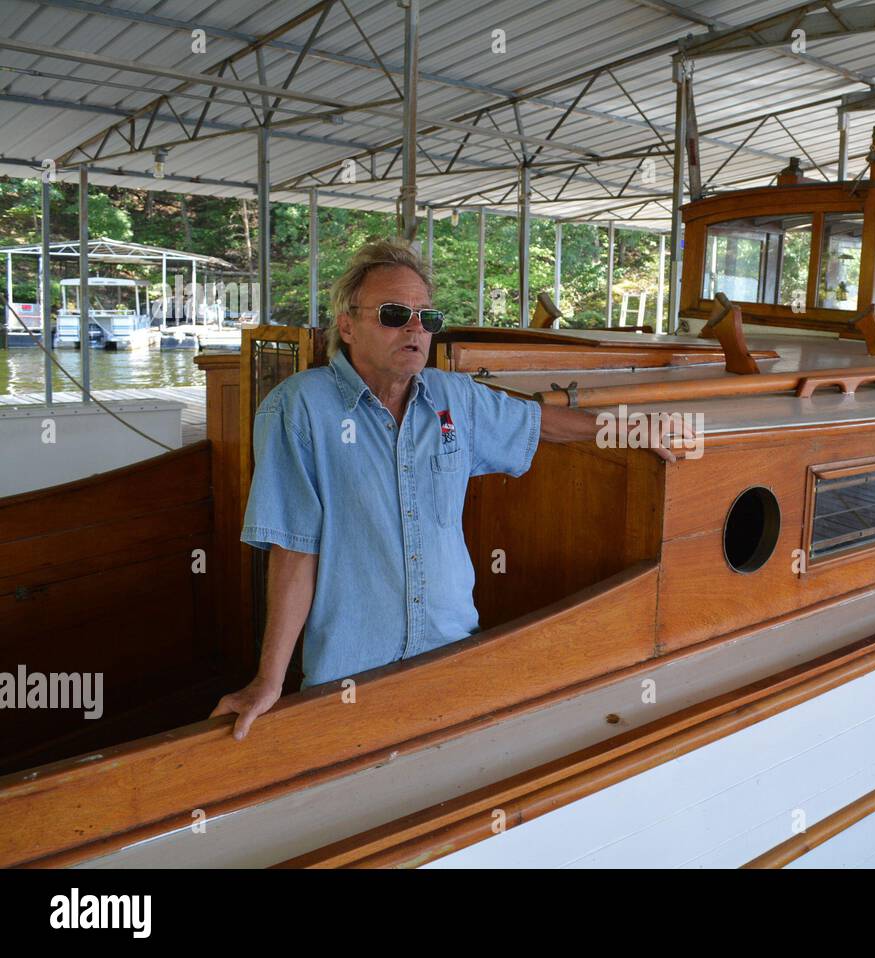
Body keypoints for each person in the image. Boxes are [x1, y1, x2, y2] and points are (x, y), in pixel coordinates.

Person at [210, 239, 680, 740]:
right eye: (394, 314)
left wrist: (631, 430)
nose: (415, 328)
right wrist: (269, 679)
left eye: (426, 318)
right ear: (346, 325)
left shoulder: (454, 398)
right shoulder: (299, 409)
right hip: (351, 674)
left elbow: (541, 423)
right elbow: (294, 548)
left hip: (454, 655)